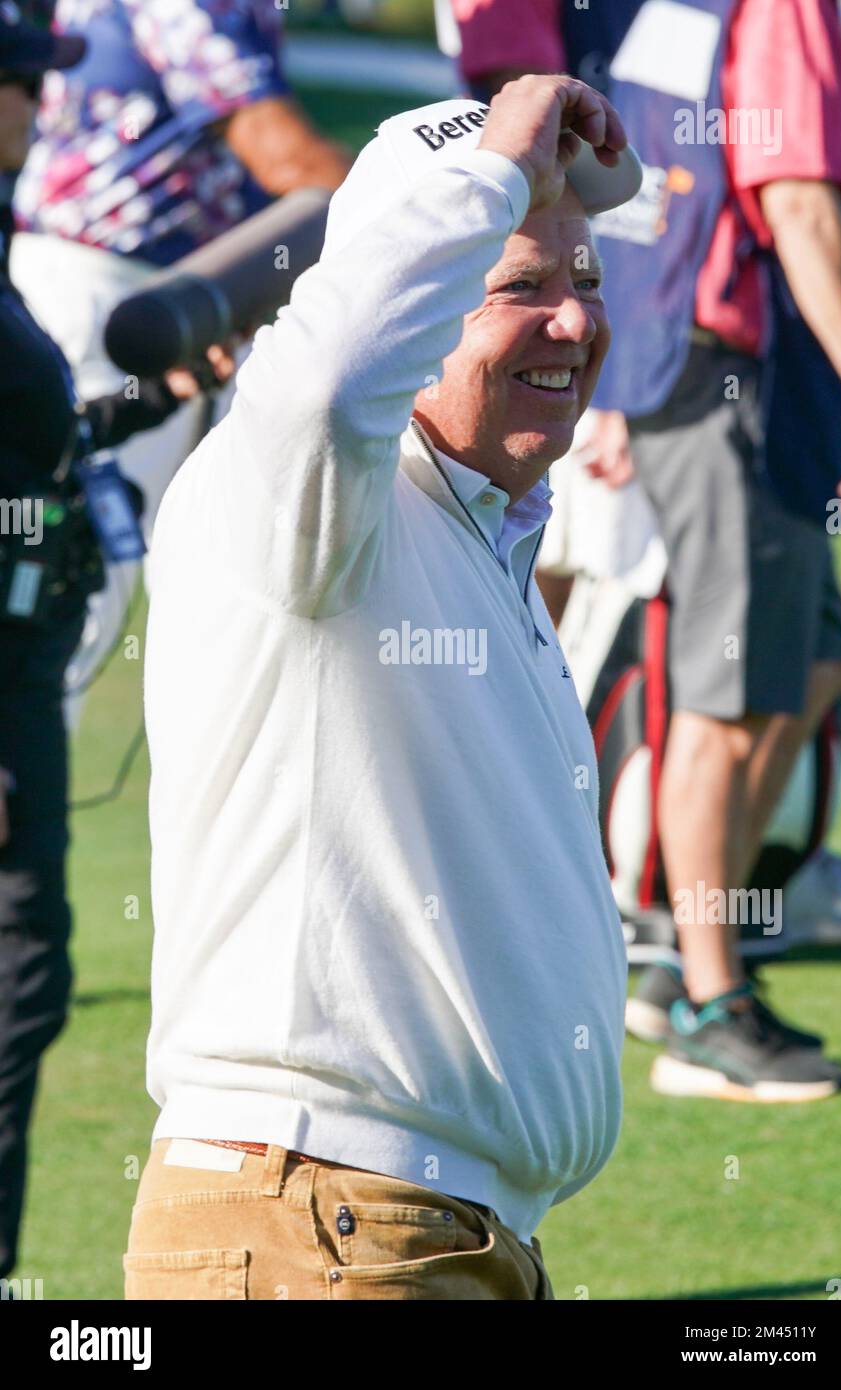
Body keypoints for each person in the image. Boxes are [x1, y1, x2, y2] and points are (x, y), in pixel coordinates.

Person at [123, 75, 640, 1301]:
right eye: (519, 284)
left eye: (586, 282)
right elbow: (319, 383)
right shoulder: (310, 500)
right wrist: (487, 166)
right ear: (406, 302)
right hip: (323, 1220)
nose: (571, 323)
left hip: (401, 1229)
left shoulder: (474, 528)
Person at [453, 0, 841, 1101]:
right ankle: (703, 997)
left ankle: (683, 946)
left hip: (683, 363)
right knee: (726, 698)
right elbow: (794, 196)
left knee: (808, 662)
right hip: (733, 367)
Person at [0, 4, 233, 1282]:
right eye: (26, 81)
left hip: (28, 668)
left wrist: (146, 399)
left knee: (26, 990)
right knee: (17, 983)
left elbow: (29, 444)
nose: (45, 110)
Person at [11, 0, 352, 722]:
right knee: (68, 582)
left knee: (115, 584)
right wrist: (430, 220)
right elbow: (280, 152)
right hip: (109, 295)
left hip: (147, 294)